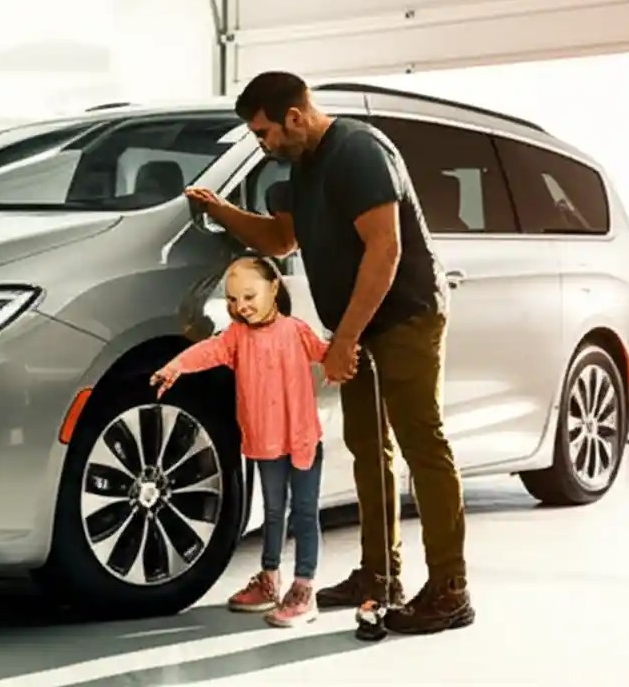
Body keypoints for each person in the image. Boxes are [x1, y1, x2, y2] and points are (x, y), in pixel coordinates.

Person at [183, 71, 474, 634]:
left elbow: (385, 250)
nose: (262, 142)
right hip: (359, 326)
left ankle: (450, 589)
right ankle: (378, 575)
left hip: (406, 315)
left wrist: (343, 341)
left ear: (294, 115)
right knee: (367, 445)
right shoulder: (301, 169)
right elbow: (279, 240)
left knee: (422, 442)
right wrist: (218, 208)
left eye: (264, 130)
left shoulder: (357, 151)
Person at [151, 255, 330, 628]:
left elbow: (327, 355)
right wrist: (175, 367)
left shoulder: (295, 331)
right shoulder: (235, 338)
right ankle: (270, 579)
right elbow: (205, 352)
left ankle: (304, 585)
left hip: (302, 440)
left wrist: (348, 353)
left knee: (304, 512)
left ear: (274, 289)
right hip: (266, 443)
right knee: (274, 511)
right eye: (232, 300)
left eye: (249, 296)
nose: (241, 306)